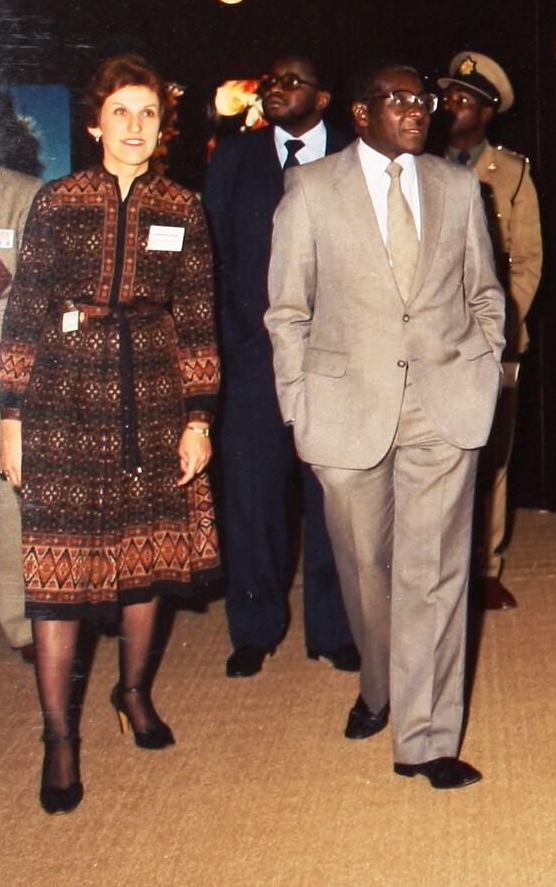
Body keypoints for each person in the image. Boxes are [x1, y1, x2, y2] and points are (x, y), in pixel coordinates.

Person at [265, 60, 505, 791]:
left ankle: (424, 739)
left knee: (433, 574)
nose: (415, 109)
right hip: (346, 408)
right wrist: (298, 407)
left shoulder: (460, 187)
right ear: (361, 114)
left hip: (444, 401)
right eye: (397, 98)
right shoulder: (310, 189)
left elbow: (487, 294)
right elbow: (287, 311)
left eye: (422, 99)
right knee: (367, 570)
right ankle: (380, 685)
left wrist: (484, 367)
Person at [0, 54, 221, 814]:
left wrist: (198, 418)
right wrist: (11, 416)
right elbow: (25, 308)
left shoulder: (183, 206)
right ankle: (60, 736)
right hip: (63, 399)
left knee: (145, 554)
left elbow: (196, 317)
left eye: (148, 113)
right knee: (57, 579)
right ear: (95, 123)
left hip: (153, 398)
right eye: (120, 112)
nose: (134, 126)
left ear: (163, 127)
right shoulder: (59, 202)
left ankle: (131, 691)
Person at [204, 55, 359, 679]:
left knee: (333, 499)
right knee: (252, 499)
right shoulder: (234, 157)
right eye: (270, 82)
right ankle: (254, 626)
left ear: (322, 99)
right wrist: (226, 344)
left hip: (335, 361)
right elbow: (211, 254)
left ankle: (335, 628)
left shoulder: (356, 156)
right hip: (252, 362)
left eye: (291, 82)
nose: (275, 90)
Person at [438, 50, 542, 611]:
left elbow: (527, 263)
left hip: (493, 340)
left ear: (487, 111)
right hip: (429, 342)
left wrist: (496, 327)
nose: (451, 106)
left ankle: (486, 566)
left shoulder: (512, 172)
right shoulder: (418, 164)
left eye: (464, 99)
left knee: (493, 456)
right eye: (447, 95)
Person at [0, 100, 43, 665]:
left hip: (3, 367)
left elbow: (32, 295)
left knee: (12, 502)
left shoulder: (24, 194)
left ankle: (22, 625)